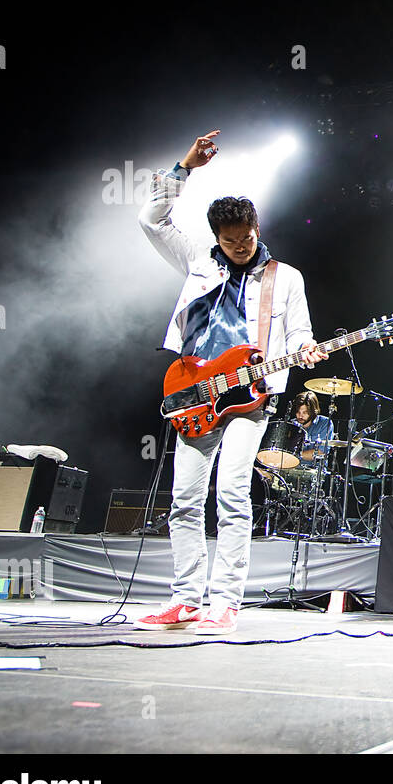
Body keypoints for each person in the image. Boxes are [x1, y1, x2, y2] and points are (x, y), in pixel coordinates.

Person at [135, 129, 328, 634]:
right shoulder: (199, 260)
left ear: (257, 227)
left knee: (233, 494)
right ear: (217, 237)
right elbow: (150, 220)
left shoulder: (285, 277)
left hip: (252, 395)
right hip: (196, 391)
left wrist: (306, 350)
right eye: (230, 240)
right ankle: (185, 599)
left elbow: (301, 332)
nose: (241, 246)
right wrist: (185, 168)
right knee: (183, 500)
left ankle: (225, 602)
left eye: (247, 237)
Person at [292, 390, 334, 468]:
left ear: (313, 411)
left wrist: (294, 455)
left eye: (304, 412)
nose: (300, 416)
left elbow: (320, 453)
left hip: (314, 471)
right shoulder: (291, 424)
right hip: (291, 468)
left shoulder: (325, 423)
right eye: (298, 412)